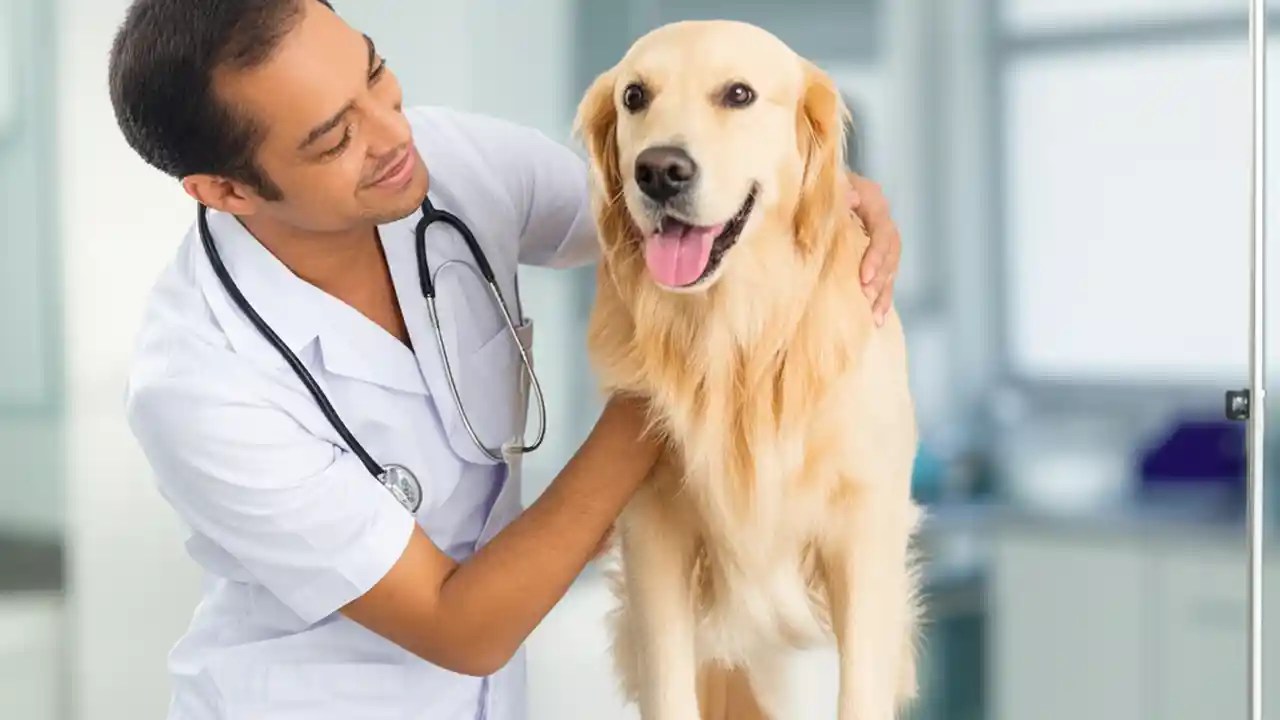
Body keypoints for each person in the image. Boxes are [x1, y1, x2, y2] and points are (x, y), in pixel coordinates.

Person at [110, 0, 906, 717]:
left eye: (375, 73)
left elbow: (665, 212)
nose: (393, 135)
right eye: (336, 137)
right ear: (226, 191)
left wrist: (831, 199)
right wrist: (663, 386)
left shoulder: (453, 165)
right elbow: (460, 628)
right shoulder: (198, 387)